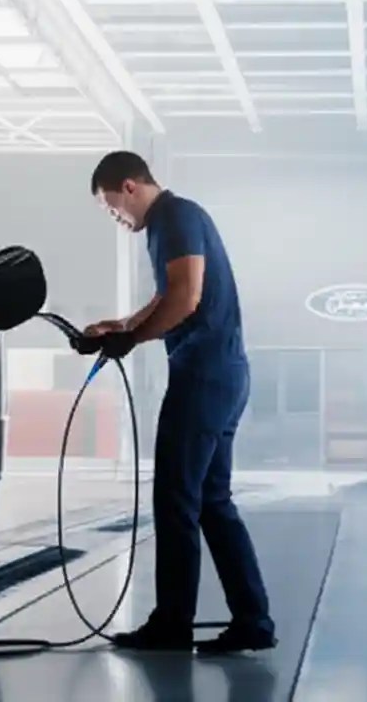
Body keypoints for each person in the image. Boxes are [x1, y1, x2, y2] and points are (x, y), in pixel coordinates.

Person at [84, 151, 276, 654]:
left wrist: (134, 338)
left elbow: (186, 297)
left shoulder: (174, 216)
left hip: (204, 377)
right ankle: (254, 621)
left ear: (129, 187)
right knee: (213, 502)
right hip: (225, 375)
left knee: (175, 501)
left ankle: (172, 623)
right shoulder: (176, 220)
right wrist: (121, 326)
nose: (116, 219)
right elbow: (169, 294)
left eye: (111, 208)